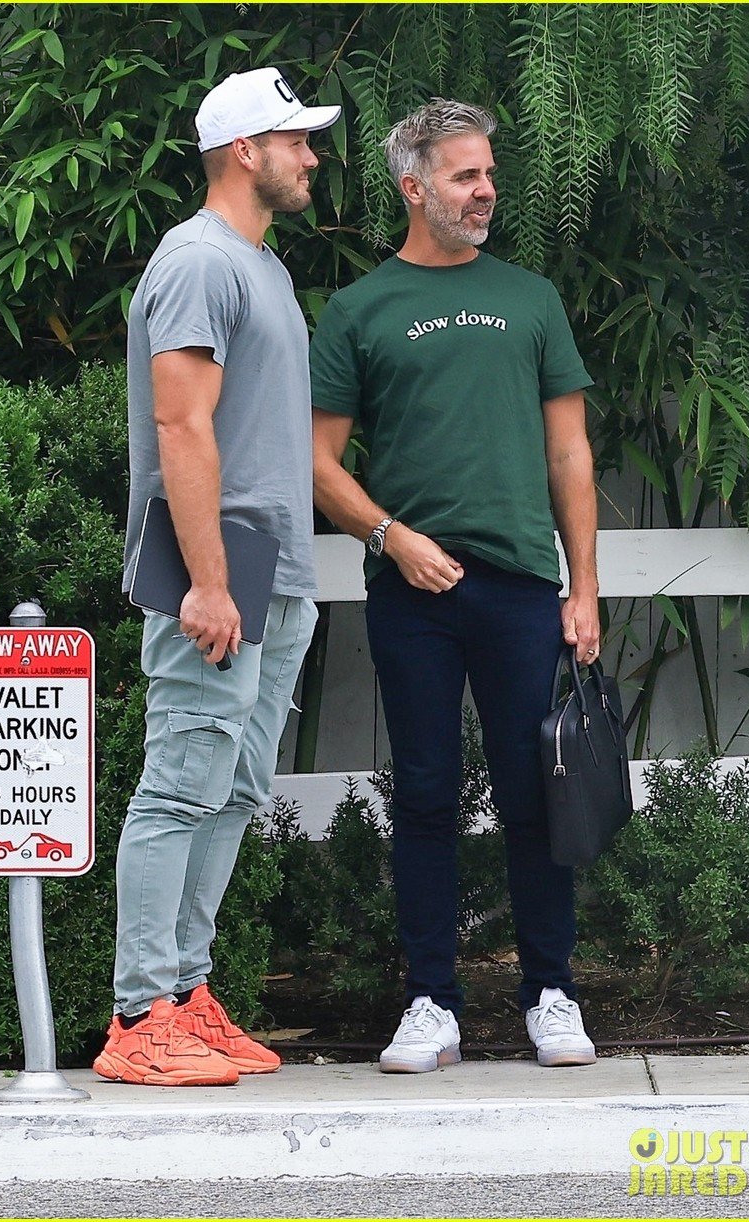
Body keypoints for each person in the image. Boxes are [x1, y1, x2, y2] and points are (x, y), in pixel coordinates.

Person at [310, 99, 599, 1073]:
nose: (485, 191)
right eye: (465, 175)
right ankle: (430, 1001)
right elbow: (317, 463)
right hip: (413, 594)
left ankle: (549, 992)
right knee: (426, 793)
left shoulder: (530, 299)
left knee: (535, 793)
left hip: (520, 587)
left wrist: (583, 587)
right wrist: (393, 539)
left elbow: (568, 451)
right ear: (413, 187)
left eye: (487, 173)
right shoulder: (358, 310)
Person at [94, 68, 340, 1087]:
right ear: (246, 149)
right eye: (297, 141)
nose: (312, 158)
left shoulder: (263, 268)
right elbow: (179, 423)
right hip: (218, 578)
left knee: (231, 787)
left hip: (272, 574)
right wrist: (204, 583)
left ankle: (187, 995)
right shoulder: (197, 261)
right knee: (180, 784)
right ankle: (136, 1015)